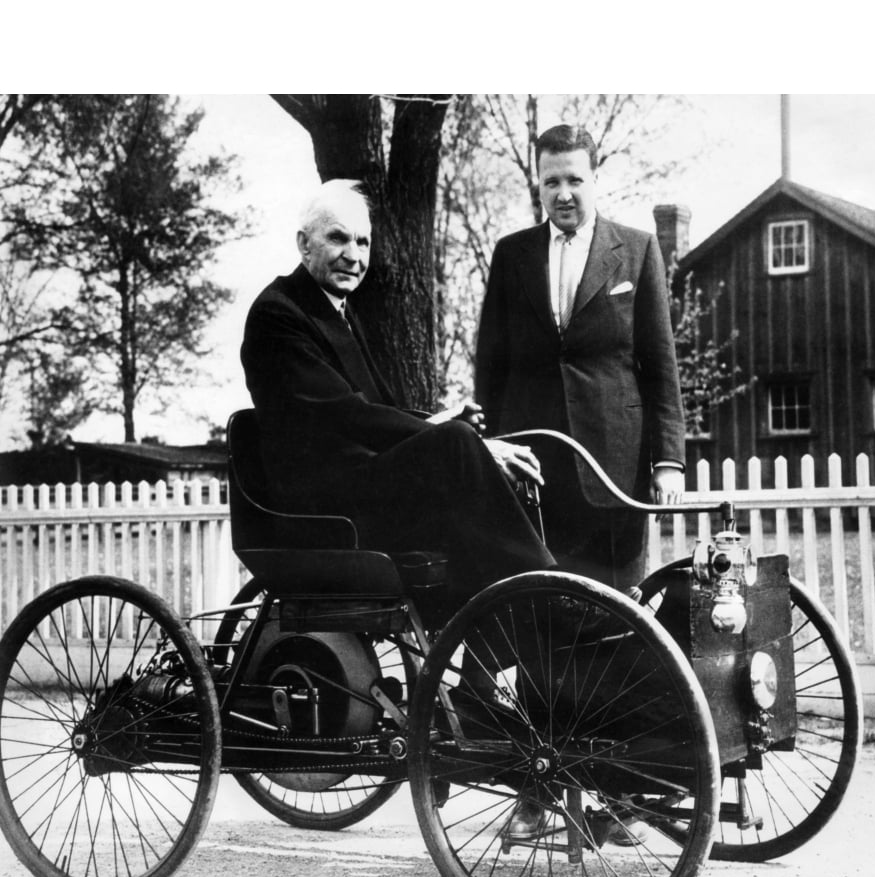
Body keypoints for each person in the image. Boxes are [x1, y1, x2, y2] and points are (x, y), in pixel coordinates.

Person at [241, 179, 556, 610]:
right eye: (338, 238)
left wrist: (439, 422)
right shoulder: (279, 314)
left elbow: (375, 410)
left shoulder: (339, 311)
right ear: (304, 244)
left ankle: (500, 645)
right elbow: (347, 416)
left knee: (484, 476)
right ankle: (552, 595)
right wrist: (467, 443)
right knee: (462, 448)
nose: (353, 256)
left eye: (363, 242)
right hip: (319, 512)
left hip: (356, 493)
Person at [475, 124, 686, 593]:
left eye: (574, 180)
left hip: (614, 464)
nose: (563, 194)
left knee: (615, 610)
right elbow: (490, 365)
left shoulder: (637, 250)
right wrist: (493, 449)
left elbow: (660, 365)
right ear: (539, 184)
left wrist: (668, 459)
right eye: (551, 182)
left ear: (595, 179)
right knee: (537, 609)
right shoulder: (512, 254)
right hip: (534, 465)